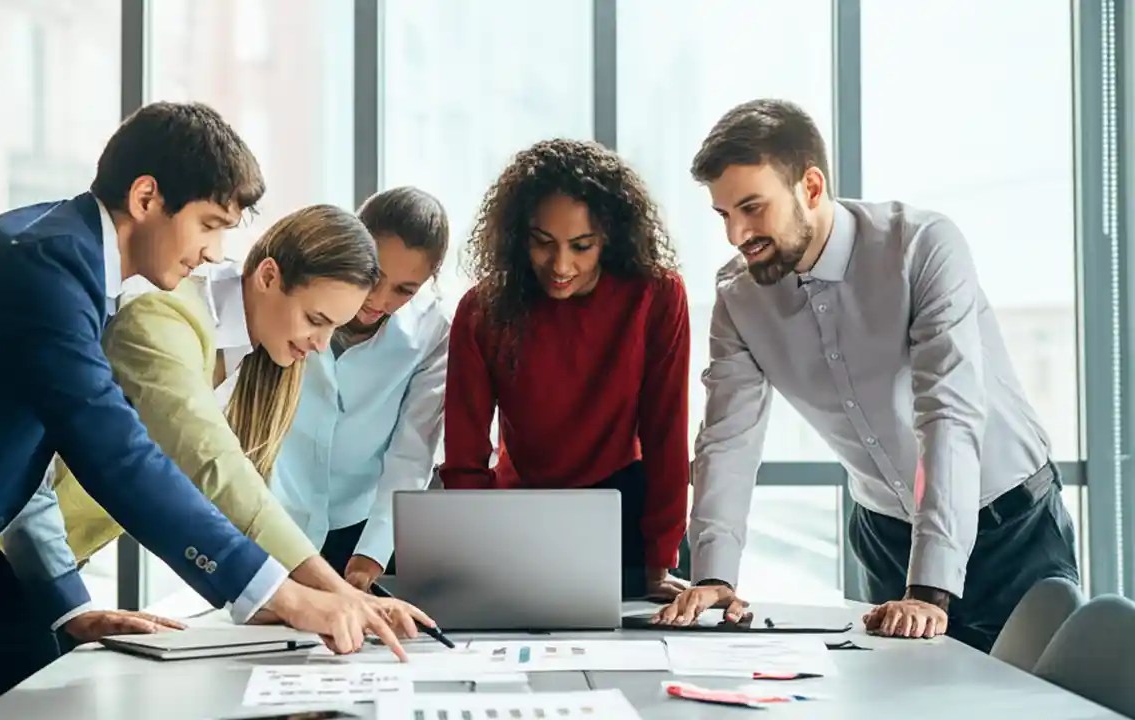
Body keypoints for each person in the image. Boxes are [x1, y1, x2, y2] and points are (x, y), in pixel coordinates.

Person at [0, 101, 416, 713]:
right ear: (146, 197)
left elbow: (23, 459)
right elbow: (119, 457)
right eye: (208, 225)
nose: (214, 252)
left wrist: (70, 606)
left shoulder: (67, 265)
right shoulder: (47, 271)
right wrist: (278, 594)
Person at [653, 99, 1079, 652]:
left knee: (1025, 696)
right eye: (724, 214)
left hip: (1010, 525)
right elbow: (727, 439)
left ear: (810, 186)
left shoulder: (921, 247)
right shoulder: (740, 298)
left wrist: (929, 590)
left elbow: (947, 413)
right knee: (904, 694)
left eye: (752, 207)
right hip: (886, 536)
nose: (737, 233)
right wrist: (714, 576)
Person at [0, 203, 430, 665]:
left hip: (48, 566)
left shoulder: (256, 360)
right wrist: (337, 593)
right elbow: (215, 468)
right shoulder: (165, 315)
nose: (321, 345)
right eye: (315, 320)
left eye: (334, 329)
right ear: (268, 276)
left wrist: (338, 598)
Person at [440, 139, 692, 600]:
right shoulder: (483, 309)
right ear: (519, 235)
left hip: (629, 511)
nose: (560, 265)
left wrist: (660, 560)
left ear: (610, 237)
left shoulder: (656, 295)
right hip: (522, 510)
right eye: (542, 243)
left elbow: (666, 431)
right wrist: (470, 554)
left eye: (581, 246)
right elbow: (464, 455)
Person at [271, 187, 451, 591]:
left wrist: (373, 554)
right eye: (374, 276)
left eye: (405, 290)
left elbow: (412, 451)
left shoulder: (431, 332)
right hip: (275, 516)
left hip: (360, 525)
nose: (379, 300)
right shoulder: (297, 298)